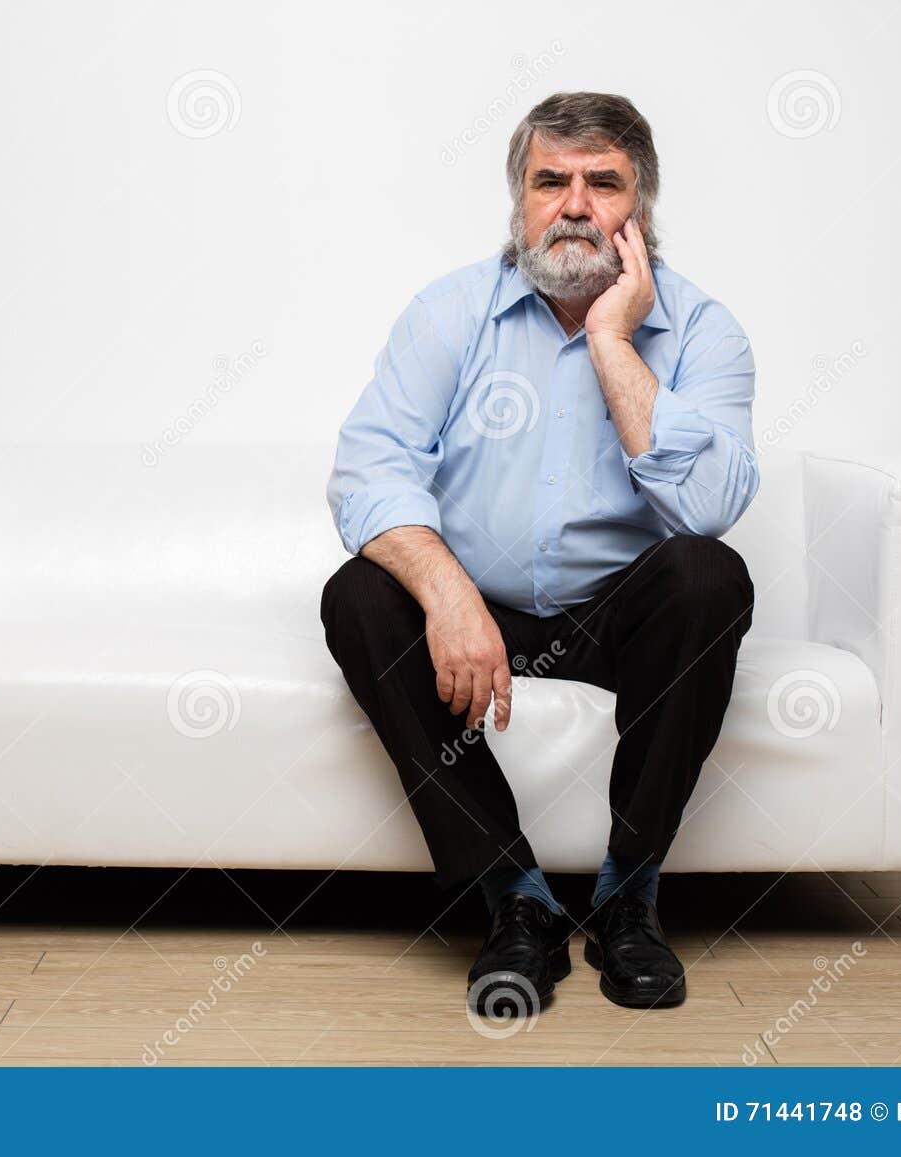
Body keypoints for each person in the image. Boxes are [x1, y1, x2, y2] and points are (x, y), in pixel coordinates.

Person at [320, 91, 757, 1013]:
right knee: (358, 593)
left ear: (640, 210)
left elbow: (709, 508)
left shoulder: (703, 331)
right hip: (478, 614)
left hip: (617, 620)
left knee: (708, 575)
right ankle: (514, 898)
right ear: (518, 200)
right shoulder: (449, 312)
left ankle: (628, 896)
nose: (574, 204)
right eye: (549, 180)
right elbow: (367, 471)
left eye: (604, 184)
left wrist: (610, 338)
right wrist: (446, 592)